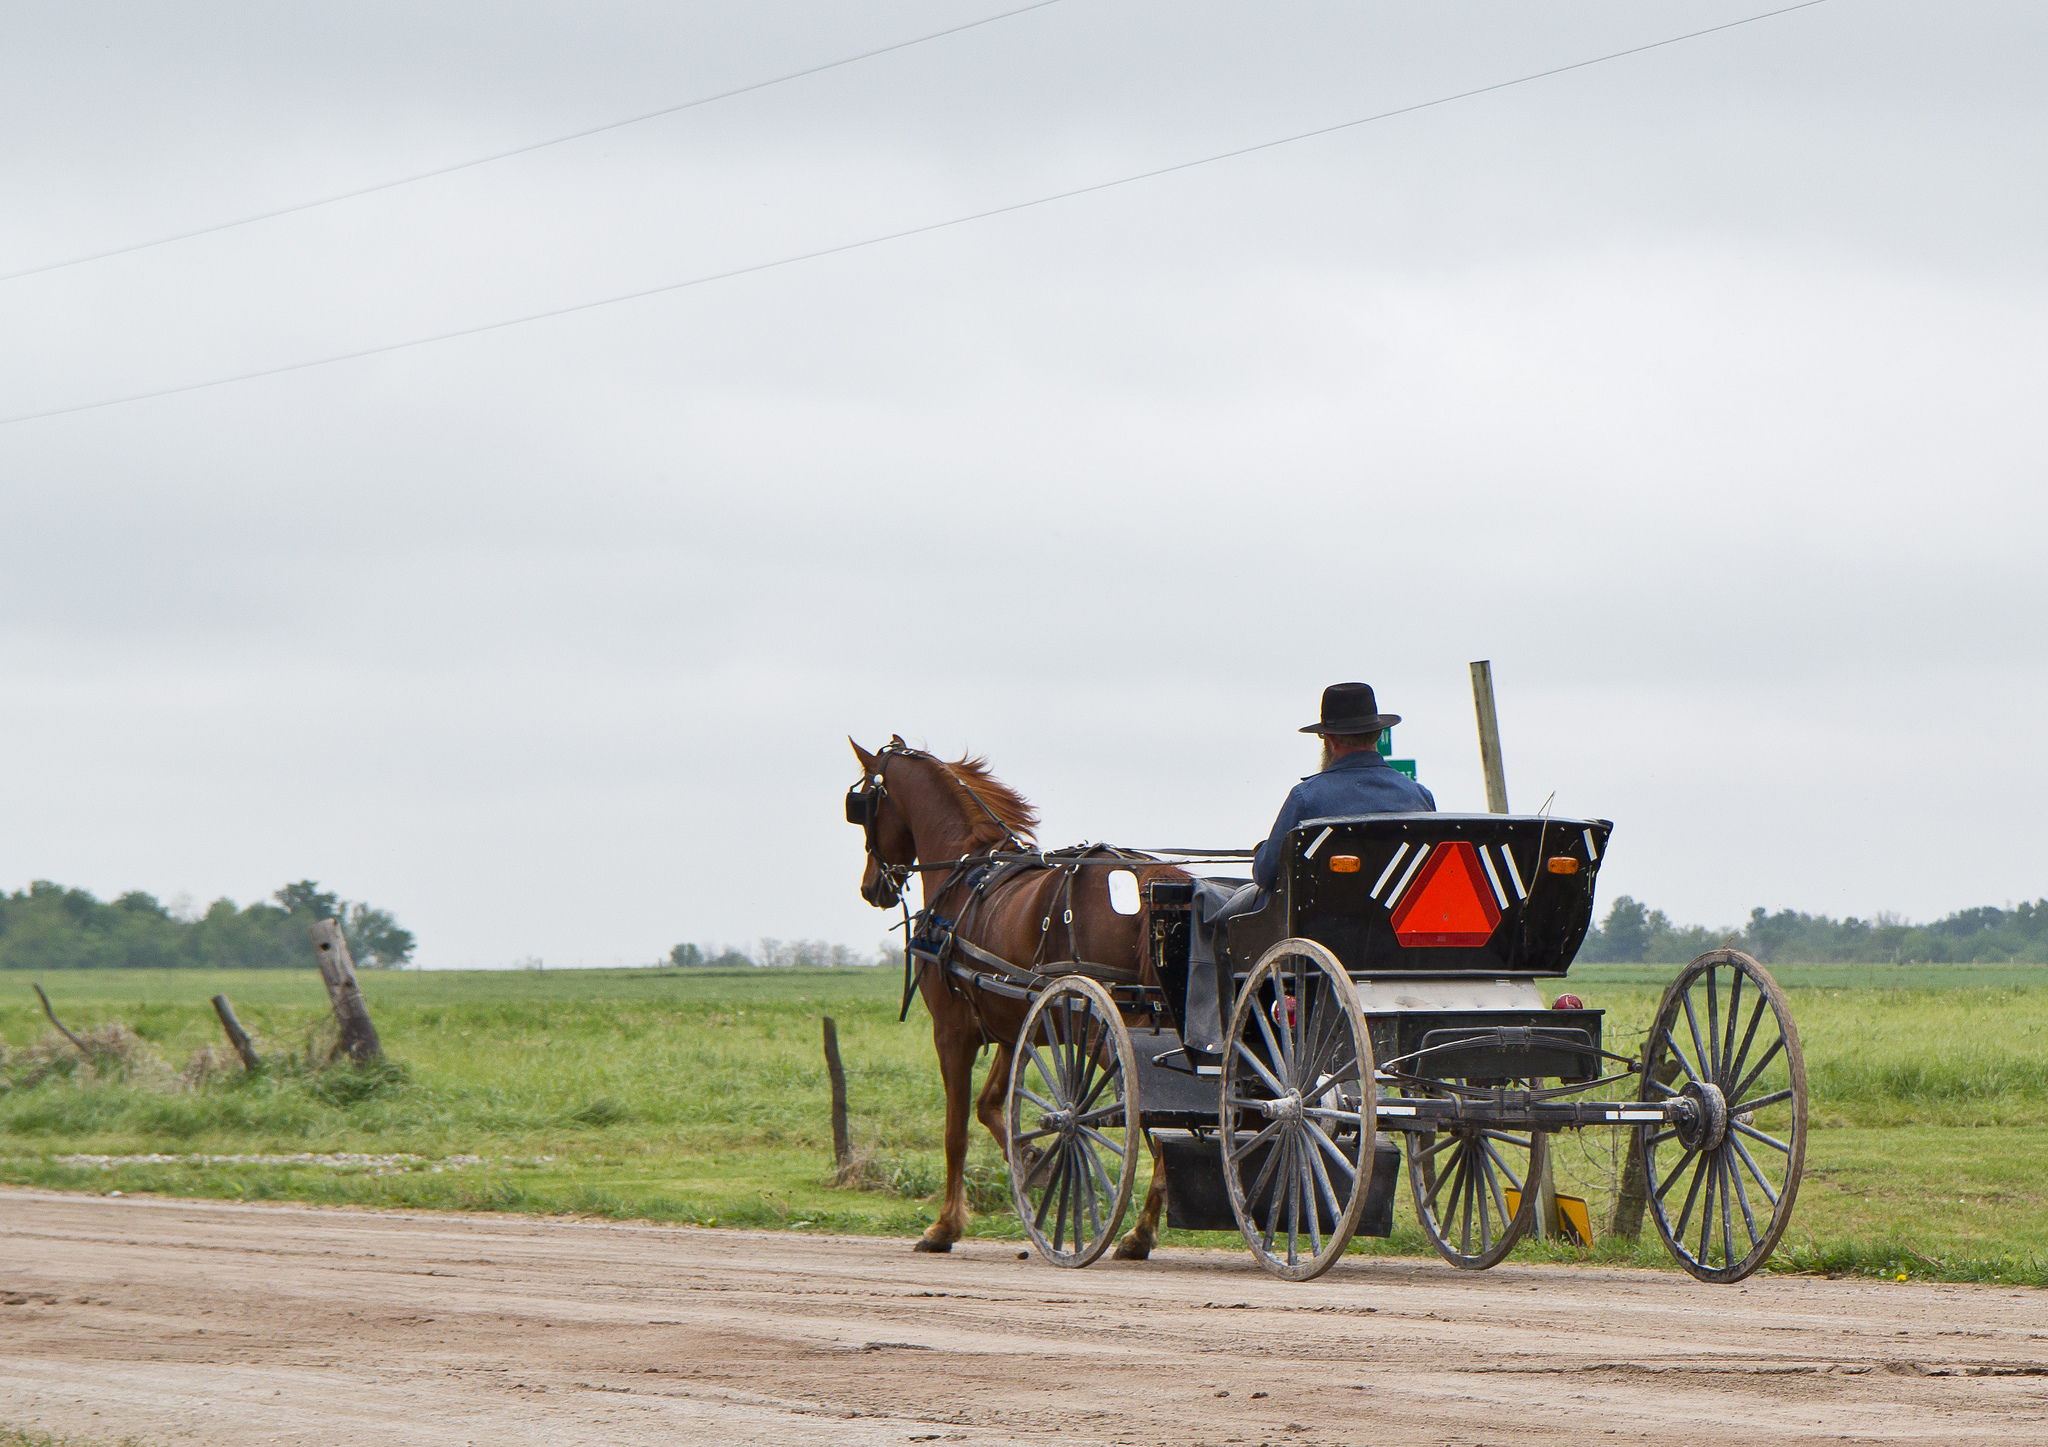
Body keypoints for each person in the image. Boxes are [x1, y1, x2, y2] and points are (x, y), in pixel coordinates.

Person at [1251, 681, 1436, 890]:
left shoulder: (1306, 799)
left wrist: (1261, 852)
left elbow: (1266, 874)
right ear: (1377, 734)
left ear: (1330, 740)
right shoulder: (1419, 796)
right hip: (1400, 921)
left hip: (1325, 921)